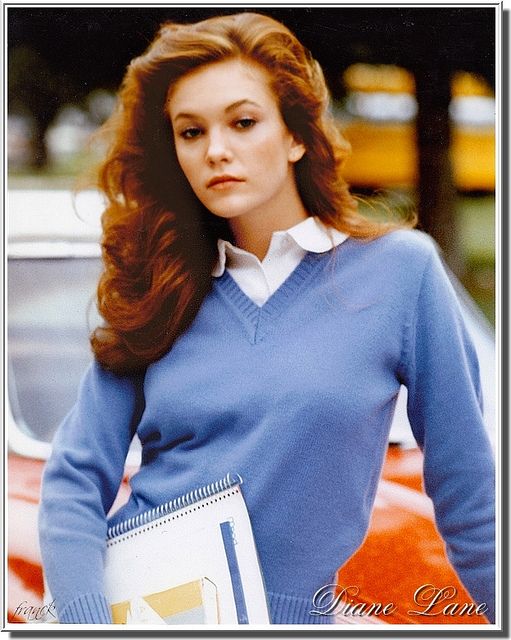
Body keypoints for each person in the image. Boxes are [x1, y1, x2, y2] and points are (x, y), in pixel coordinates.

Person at [38, 11, 495, 625]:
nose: (216, 151)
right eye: (191, 132)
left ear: (296, 136)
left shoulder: (401, 274)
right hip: (148, 616)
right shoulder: (156, 289)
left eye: (243, 122)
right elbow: (73, 481)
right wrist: (89, 628)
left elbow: (470, 495)